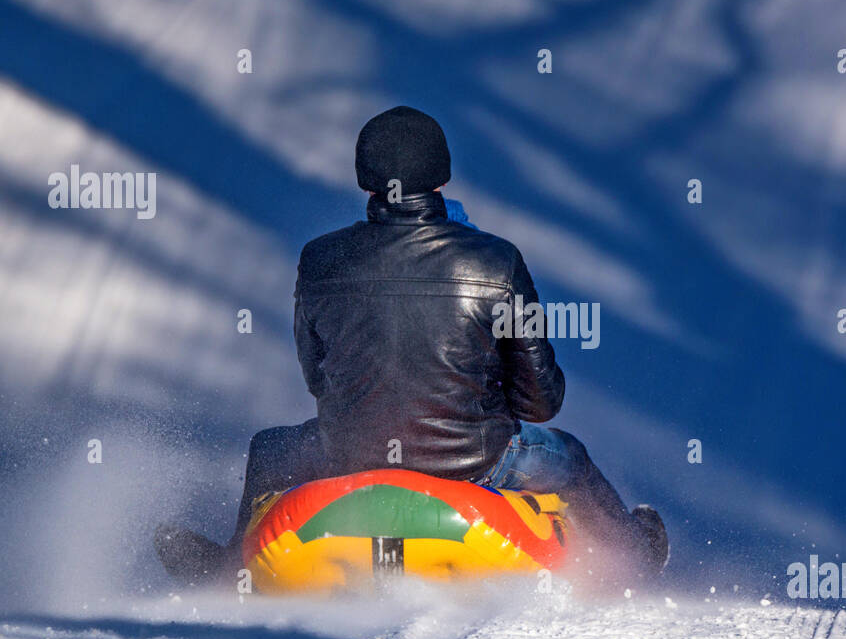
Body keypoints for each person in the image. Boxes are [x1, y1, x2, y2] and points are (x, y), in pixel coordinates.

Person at [156, 106, 667, 583]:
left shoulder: (319, 259)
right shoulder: (495, 260)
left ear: (366, 179)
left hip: (347, 455)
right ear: (441, 177)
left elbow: (318, 378)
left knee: (269, 446)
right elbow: (541, 401)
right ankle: (635, 558)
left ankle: (229, 572)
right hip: (477, 463)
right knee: (569, 457)